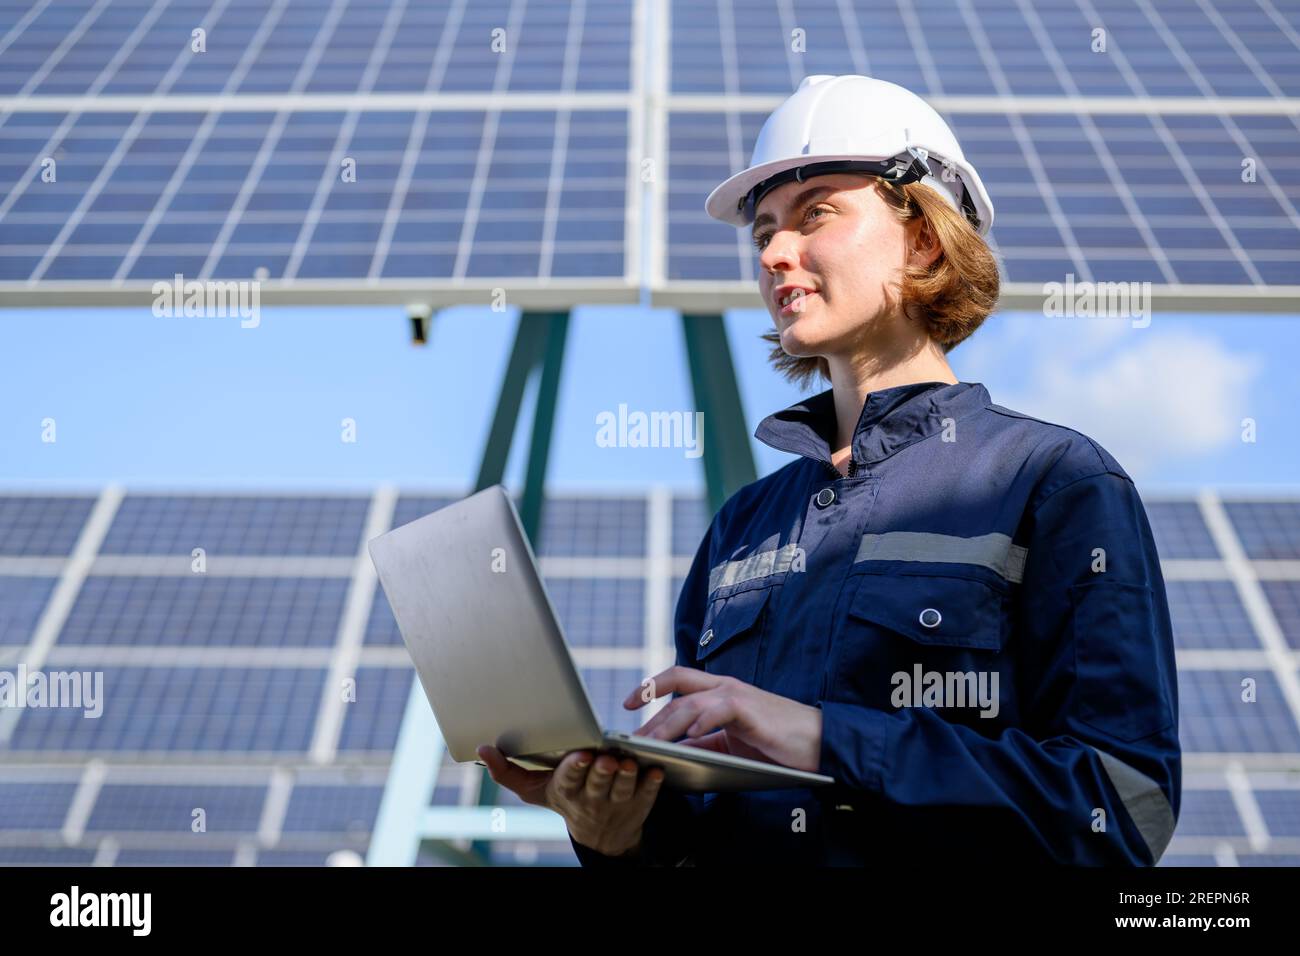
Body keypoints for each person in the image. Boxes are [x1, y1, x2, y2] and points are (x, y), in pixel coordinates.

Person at [478, 74, 1180, 866]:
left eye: (816, 213)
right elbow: (703, 834)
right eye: (764, 232)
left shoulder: (1056, 482)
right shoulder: (743, 527)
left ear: (922, 237)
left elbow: (1123, 807)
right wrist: (615, 833)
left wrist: (822, 739)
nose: (776, 251)